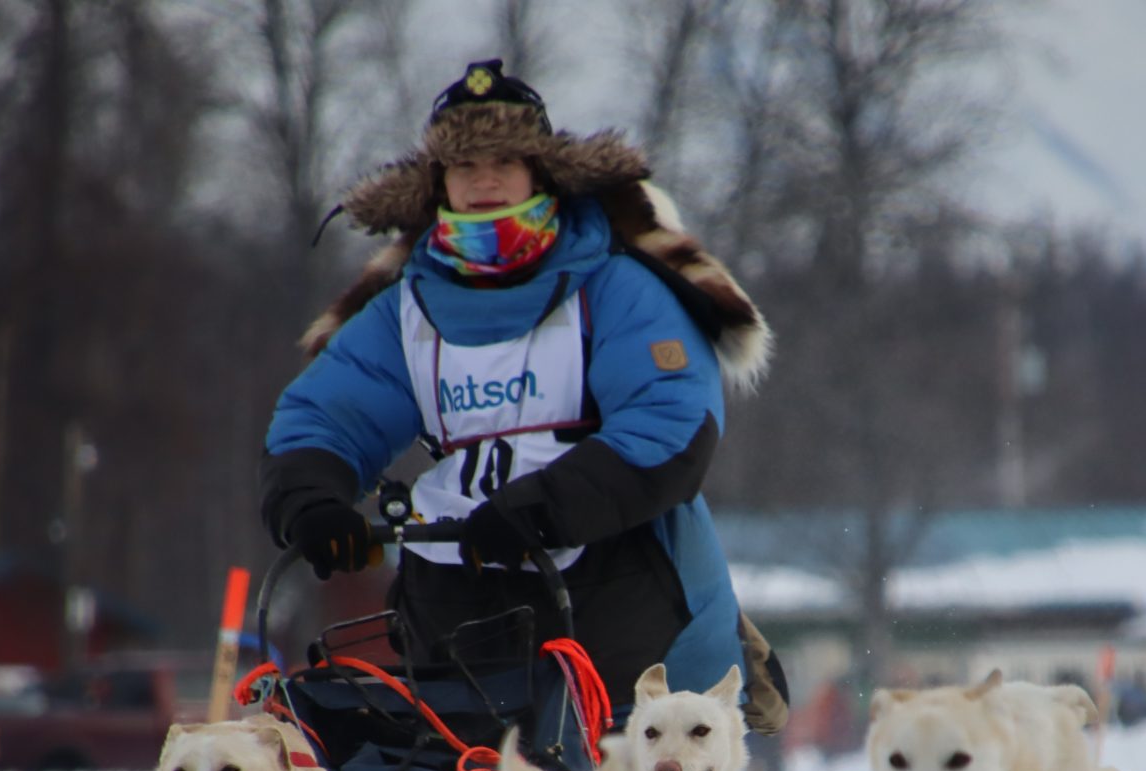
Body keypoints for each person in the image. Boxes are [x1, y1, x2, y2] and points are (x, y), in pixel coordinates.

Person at [260, 58, 783, 729]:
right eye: (464, 165)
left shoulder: (616, 286)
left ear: (541, 174)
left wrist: (539, 509)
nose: (484, 180)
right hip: (461, 631)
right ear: (438, 183)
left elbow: (668, 422)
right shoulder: (406, 311)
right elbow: (323, 415)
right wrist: (312, 501)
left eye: (504, 162)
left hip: (626, 632)